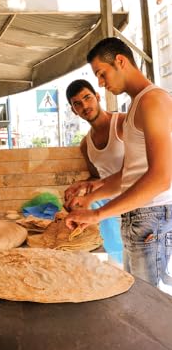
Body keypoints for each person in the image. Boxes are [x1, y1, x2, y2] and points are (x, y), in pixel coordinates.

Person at [65, 37, 172, 294]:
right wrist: (92, 199)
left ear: (120, 62)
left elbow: (161, 177)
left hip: (153, 218)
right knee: (139, 304)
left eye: (101, 74)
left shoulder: (153, 100)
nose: (101, 83)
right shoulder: (137, 105)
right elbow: (128, 174)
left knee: (153, 310)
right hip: (140, 218)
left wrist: (99, 214)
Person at [64, 79, 125, 264]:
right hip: (109, 210)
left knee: (143, 276)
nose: (84, 106)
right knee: (117, 265)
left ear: (97, 97)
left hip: (138, 204)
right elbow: (97, 177)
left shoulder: (123, 124)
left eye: (87, 98)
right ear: (74, 110)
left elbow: (136, 170)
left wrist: (90, 196)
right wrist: (81, 186)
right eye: (77, 104)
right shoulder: (86, 145)